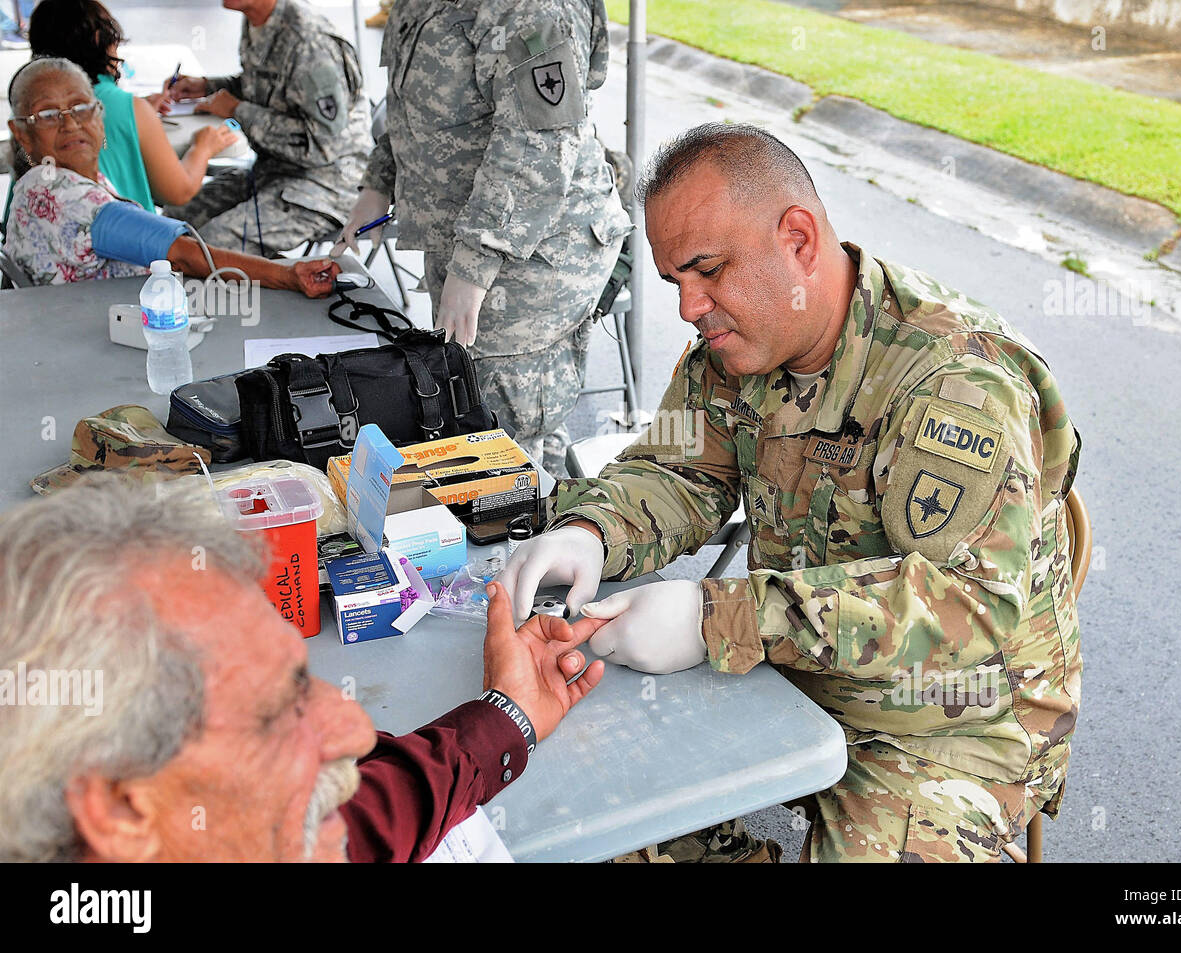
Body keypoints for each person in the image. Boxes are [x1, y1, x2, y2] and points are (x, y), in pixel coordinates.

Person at [501, 123, 1084, 863]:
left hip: (951, 717)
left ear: (799, 240)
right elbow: (679, 471)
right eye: (675, 281)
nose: (689, 305)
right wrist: (590, 531)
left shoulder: (953, 381)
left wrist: (723, 615)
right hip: (799, 663)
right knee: (580, 791)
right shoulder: (737, 345)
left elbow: (964, 608)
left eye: (707, 270)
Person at [0, 475, 606, 862]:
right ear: (121, 814)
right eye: (275, 713)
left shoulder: (254, 833)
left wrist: (509, 715)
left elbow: (372, 816)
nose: (355, 729)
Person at [332, 0, 631, 476]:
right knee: (474, 410)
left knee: (498, 427)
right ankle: (534, 519)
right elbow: (411, 105)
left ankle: (531, 536)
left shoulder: (534, 10)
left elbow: (539, 148)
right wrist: (378, 183)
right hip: (466, 237)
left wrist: (472, 268)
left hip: (533, 255)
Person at [4, 57, 337, 295]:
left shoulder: (36, 181)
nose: (71, 123)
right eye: (48, 115)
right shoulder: (69, 198)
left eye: (80, 108)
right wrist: (288, 274)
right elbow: (183, 254)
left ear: (99, 116)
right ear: (21, 133)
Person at [164, 0, 372, 256]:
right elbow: (269, 87)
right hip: (274, 169)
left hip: (328, 183)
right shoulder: (258, 20)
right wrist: (209, 86)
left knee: (210, 247)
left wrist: (236, 110)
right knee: (174, 219)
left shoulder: (309, 42)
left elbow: (323, 144)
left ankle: (276, 281)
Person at [26, 0, 238, 211]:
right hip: (111, 241)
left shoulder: (29, 105)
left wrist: (139, 111)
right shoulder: (126, 107)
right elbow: (179, 191)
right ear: (102, 39)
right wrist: (203, 147)